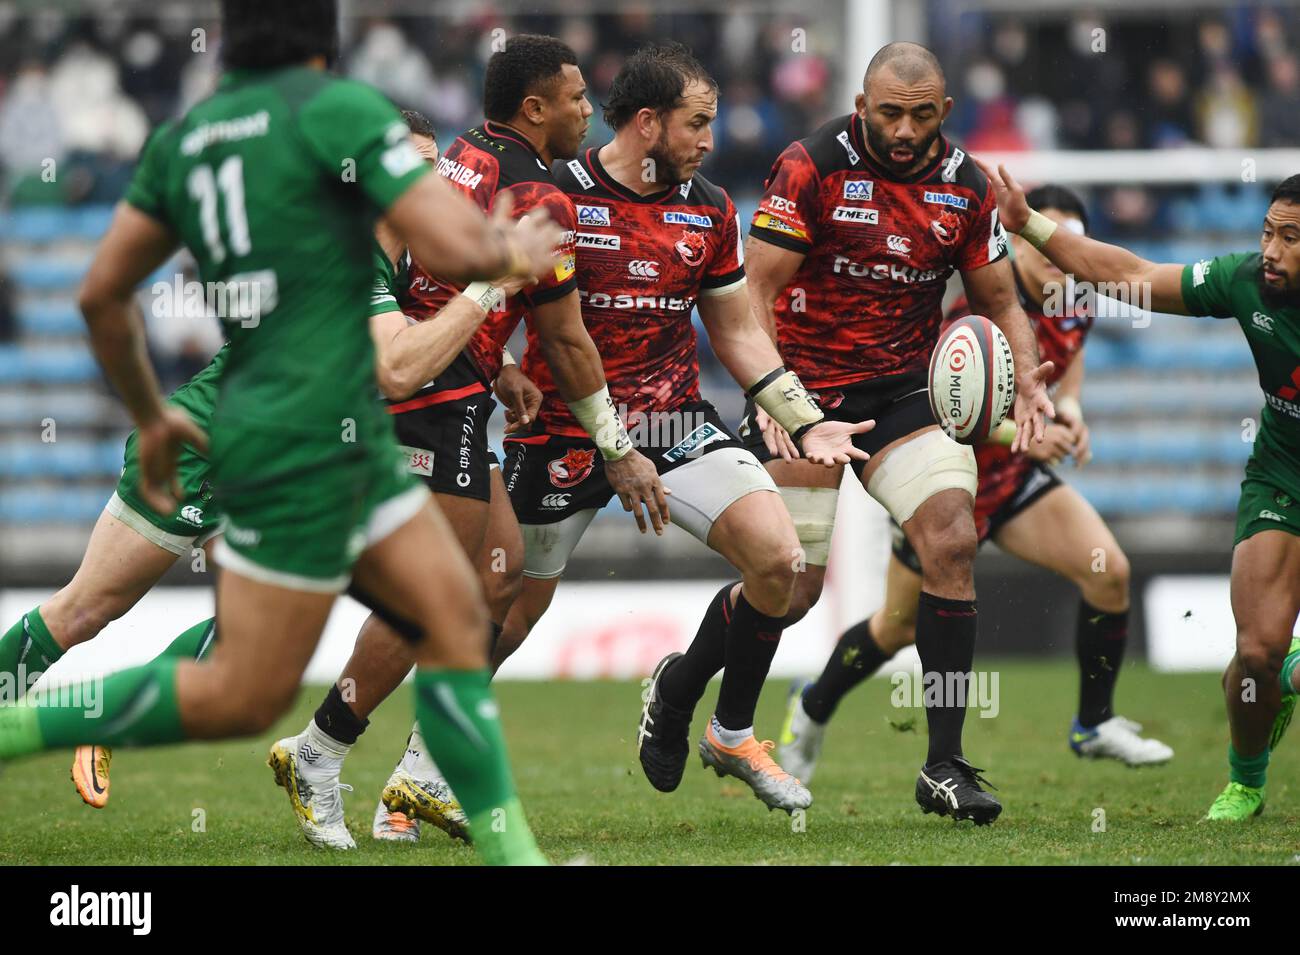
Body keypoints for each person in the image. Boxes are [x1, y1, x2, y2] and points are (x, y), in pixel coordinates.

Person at [0, 0, 565, 867]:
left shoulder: (190, 138)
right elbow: (405, 350)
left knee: (454, 608)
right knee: (161, 647)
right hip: (278, 440)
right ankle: (36, 722)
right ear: (322, 41)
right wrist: (504, 263)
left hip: (300, 436)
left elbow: (100, 295)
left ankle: (514, 856)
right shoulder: (342, 121)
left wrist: (147, 411)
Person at [267, 34, 672, 848]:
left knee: (501, 571)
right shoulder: (540, 196)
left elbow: (423, 274)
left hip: (446, 379)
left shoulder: (461, 154)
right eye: (576, 99)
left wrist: (501, 365)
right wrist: (616, 444)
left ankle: (423, 771)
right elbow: (567, 338)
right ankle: (318, 751)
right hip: (430, 394)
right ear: (536, 108)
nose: (588, 112)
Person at [492, 42, 869, 813]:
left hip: (671, 422)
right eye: (696, 123)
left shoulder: (710, 209)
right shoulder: (557, 195)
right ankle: (419, 773)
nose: (708, 140)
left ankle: (728, 728)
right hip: (564, 431)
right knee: (506, 616)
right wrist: (501, 366)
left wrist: (804, 419)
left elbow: (736, 330)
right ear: (646, 123)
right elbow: (488, 300)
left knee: (779, 559)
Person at [738, 41, 1052, 824]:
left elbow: (1001, 301)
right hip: (802, 389)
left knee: (951, 541)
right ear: (861, 107)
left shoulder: (967, 186)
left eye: (921, 115)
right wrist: (773, 396)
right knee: (790, 587)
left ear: (945, 111)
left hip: (905, 390)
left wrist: (1029, 378)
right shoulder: (811, 166)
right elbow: (754, 293)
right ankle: (685, 691)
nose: (905, 130)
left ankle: (943, 764)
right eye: (889, 113)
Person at [778, 185, 1173, 785]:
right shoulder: (975, 322)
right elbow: (941, 411)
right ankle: (811, 706)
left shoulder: (1076, 298)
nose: (1053, 257)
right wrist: (1023, 433)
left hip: (1010, 484)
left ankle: (1094, 723)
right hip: (942, 488)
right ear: (1015, 242)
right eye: (1040, 241)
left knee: (1109, 572)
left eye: (1064, 242)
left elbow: (1068, 361)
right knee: (896, 628)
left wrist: (1070, 409)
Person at [980, 162, 1300, 823]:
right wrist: (1028, 224)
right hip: (1283, 473)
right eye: (1268, 232)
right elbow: (1133, 274)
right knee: (1257, 655)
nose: (1271, 250)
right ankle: (1246, 783)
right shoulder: (1246, 281)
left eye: (1291, 239)